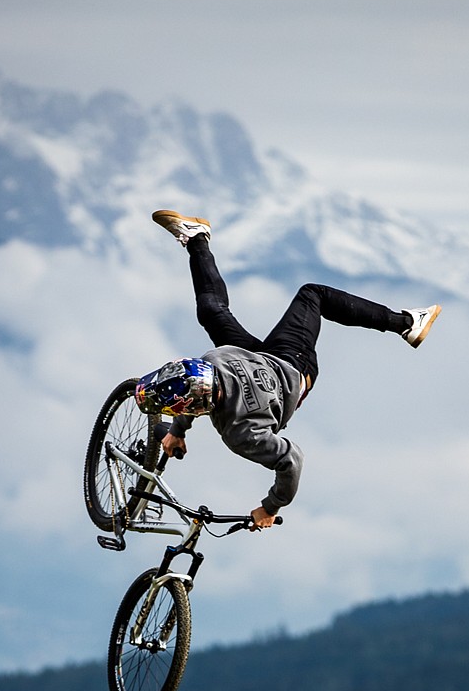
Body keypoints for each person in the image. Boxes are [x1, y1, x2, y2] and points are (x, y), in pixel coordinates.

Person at [135, 209, 441, 529]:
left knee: (231, 308)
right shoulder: (221, 374)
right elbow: (199, 390)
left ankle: (408, 324)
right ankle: (197, 240)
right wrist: (177, 430)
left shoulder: (237, 424)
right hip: (276, 366)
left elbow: (289, 459)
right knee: (295, 297)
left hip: (290, 362)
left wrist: (270, 506)